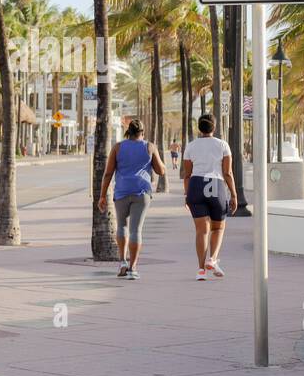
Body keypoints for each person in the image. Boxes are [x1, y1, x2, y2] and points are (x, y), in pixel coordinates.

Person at [98, 119, 165, 280]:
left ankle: (122, 262)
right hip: (141, 192)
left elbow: (108, 173)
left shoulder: (118, 147)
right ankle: (133, 268)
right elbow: (161, 170)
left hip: (121, 191)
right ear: (142, 132)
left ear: (128, 132)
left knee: (121, 225)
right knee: (136, 230)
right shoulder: (149, 146)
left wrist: (102, 195)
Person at [181, 114, 237, 281]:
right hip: (216, 186)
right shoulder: (222, 145)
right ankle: (212, 259)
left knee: (201, 231)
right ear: (214, 127)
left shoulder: (191, 146)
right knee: (218, 228)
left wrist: (187, 194)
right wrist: (233, 194)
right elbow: (227, 172)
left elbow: (187, 175)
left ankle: (201, 270)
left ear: (199, 128)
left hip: (196, 186)